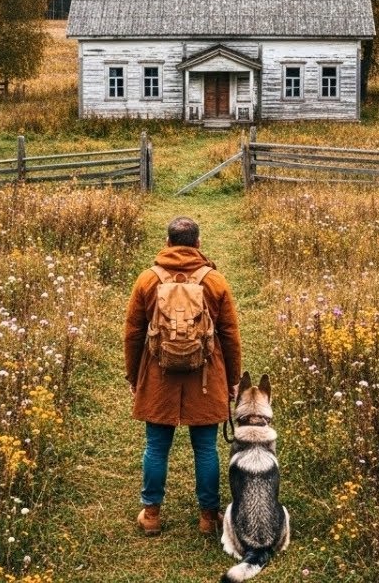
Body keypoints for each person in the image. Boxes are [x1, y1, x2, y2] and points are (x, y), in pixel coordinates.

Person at [124, 216, 242, 537]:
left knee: (156, 447)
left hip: (157, 374)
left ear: (167, 243)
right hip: (206, 376)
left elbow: (133, 334)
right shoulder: (214, 281)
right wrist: (232, 380)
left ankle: (151, 515)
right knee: (205, 450)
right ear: (198, 244)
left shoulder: (148, 280)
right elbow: (229, 335)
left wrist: (134, 376)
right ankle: (207, 518)